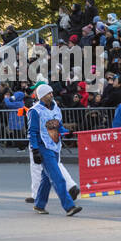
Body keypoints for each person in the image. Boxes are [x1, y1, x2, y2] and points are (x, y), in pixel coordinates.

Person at [28, 84, 82, 216]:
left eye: (51, 92)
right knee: (58, 178)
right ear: (41, 96)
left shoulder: (56, 108)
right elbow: (32, 132)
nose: (51, 95)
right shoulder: (35, 111)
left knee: (46, 179)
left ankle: (39, 205)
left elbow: (59, 126)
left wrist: (67, 132)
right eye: (48, 93)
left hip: (55, 146)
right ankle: (69, 206)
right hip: (43, 147)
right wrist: (35, 150)